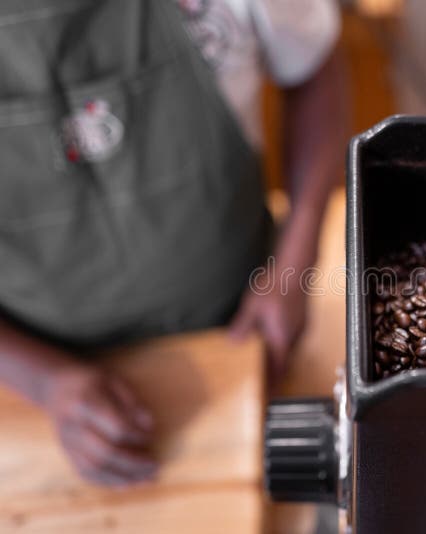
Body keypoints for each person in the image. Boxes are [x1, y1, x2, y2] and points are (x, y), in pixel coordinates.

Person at [0, 0, 346, 487]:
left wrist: (295, 263)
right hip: (26, 392)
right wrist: (42, 379)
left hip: (248, 332)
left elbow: (311, 71)